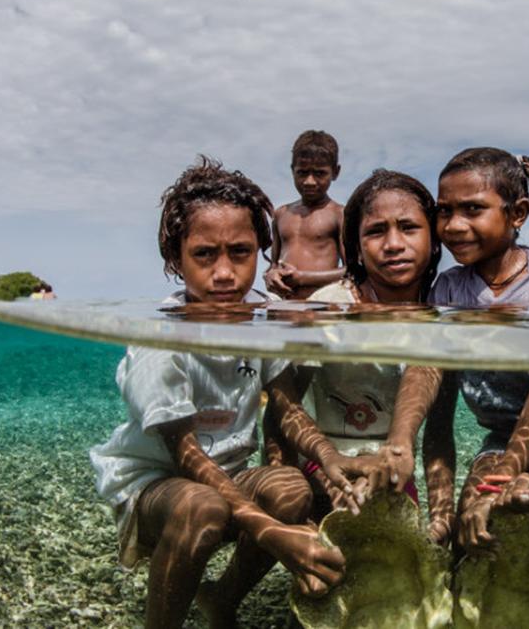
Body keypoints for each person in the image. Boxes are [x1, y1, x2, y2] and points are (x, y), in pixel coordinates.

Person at [89, 156, 344, 628]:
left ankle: (221, 599)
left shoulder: (262, 318)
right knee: (200, 505)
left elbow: (287, 407)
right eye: (205, 254)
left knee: (291, 488)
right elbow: (185, 454)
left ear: (260, 252)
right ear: (176, 259)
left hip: (227, 479)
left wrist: (331, 459)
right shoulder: (159, 338)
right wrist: (269, 531)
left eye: (240, 252)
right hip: (154, 487)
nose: (224, 273)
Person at [371, 147, 529, 547]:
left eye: (473, 209)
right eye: (445, 211)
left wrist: (511, 471)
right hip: (503, 436)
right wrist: (402, 444)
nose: (454, 225)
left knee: (518, 525)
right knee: (472, 529)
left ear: (518, 213)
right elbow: (430, 380)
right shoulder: (449, 290)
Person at [264, 168, 441, 517]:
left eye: (408, 227)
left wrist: (440, 513)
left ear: (434, 240)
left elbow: (436, 421)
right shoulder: (329, 307)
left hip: (392, 464)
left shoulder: (440, 308)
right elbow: (283, 404)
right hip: (321, 459)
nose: (393, 244)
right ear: (356, 249)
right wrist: (285, 476)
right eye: (375, 231)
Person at [263, 130, 346, 299]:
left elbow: (353, 271)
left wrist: (302, 278)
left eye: (320, 173)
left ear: (335, 172)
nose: (309, 181)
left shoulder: (339, 214)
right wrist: (270, 275)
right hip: (284, 305)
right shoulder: (281, 214)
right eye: (302, 172)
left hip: (322, 304)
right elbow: (273, 265)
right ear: (292, 170)